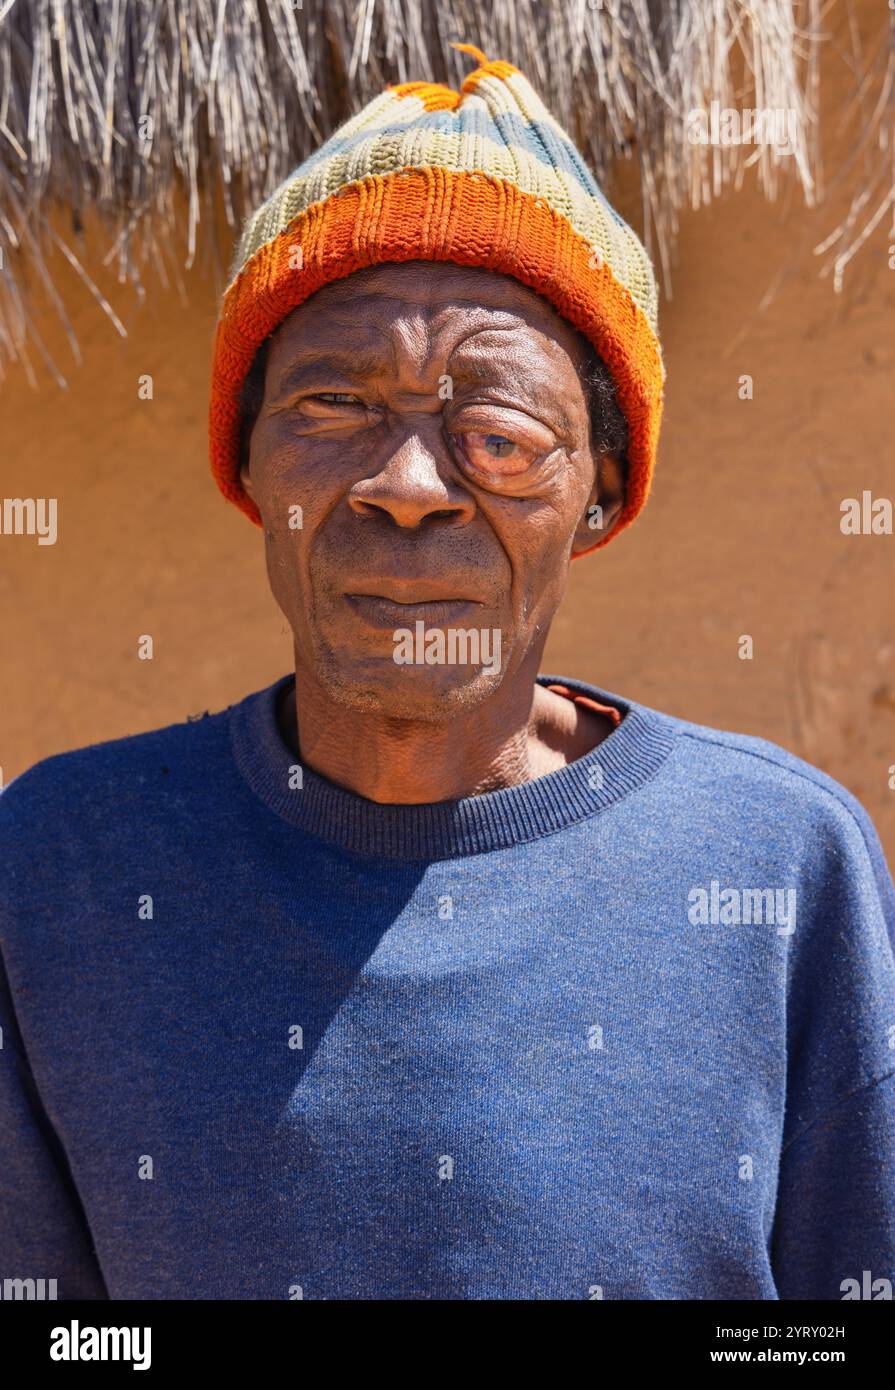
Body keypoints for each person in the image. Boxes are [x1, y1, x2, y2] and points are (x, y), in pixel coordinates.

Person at [1, 49, 893, 1301]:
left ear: (602, 495)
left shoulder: (780, 865)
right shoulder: (59, 866)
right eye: (327, 407)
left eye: (497, 434)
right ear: (246, 469)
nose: (407, 487)